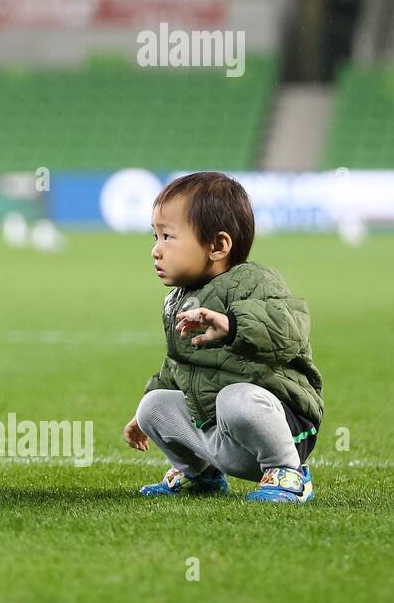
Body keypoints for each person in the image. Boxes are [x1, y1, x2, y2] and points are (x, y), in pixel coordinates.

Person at [124, 171, 324, 503]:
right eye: (154, 237)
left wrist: (232, 325)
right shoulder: (179, 300)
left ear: (218, 245)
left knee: (235, 399)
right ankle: (201, 475)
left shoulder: (257, 281)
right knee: (153, 406)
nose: (155, 251)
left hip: (284, 428)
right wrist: (145, 416)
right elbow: (178, 365)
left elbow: (289, 330)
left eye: (168, 237)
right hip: (219, 432)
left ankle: (289, 473)